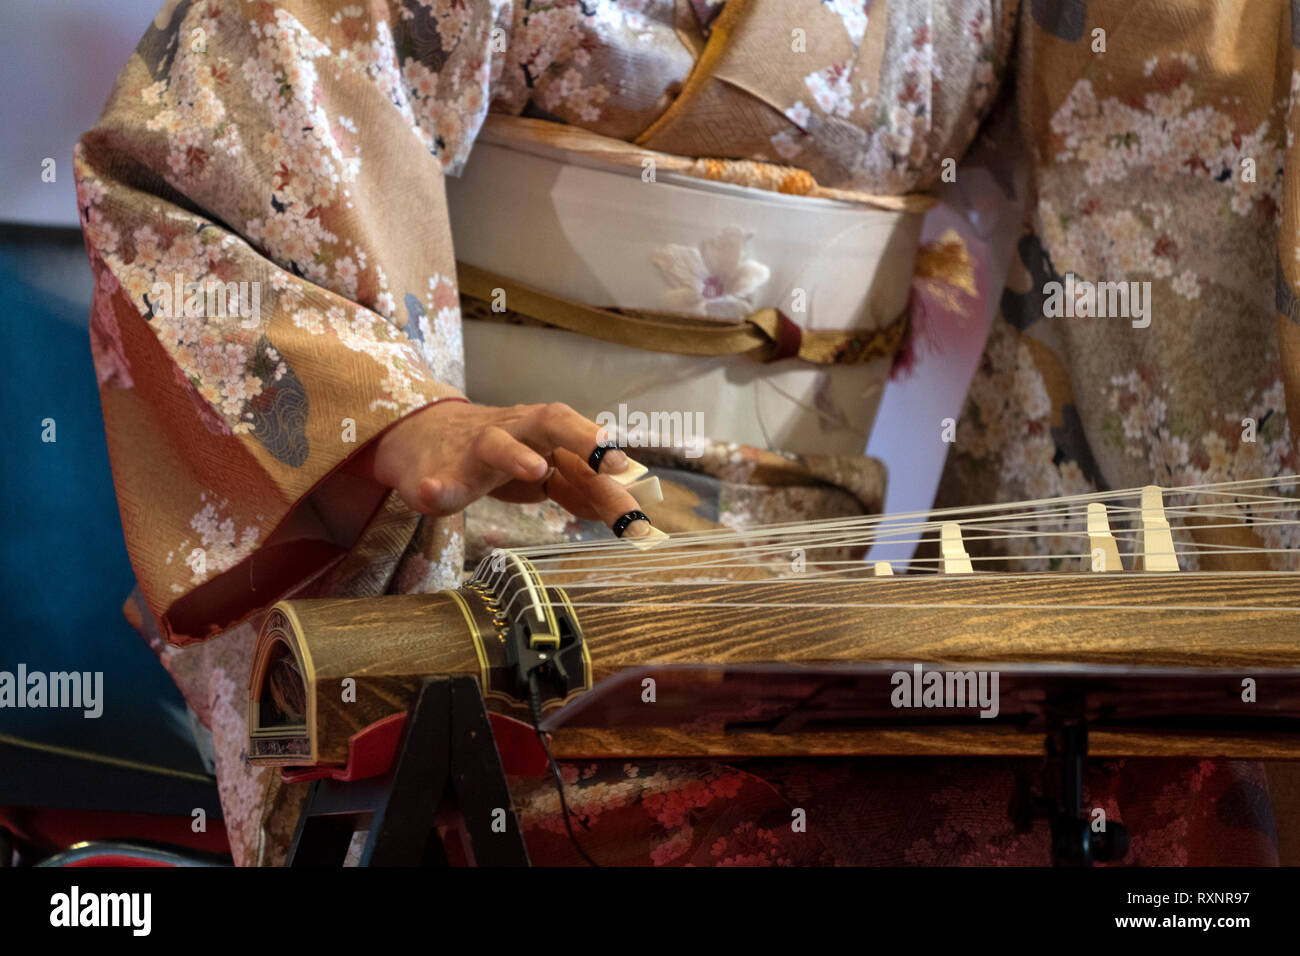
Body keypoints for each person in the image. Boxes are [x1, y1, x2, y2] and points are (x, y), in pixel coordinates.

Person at [76, 0, 1293, 865]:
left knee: (1166, 807)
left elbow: (1166, 124)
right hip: (522, 588)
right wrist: (399, 418)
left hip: (828, 629)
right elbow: (203, 171)